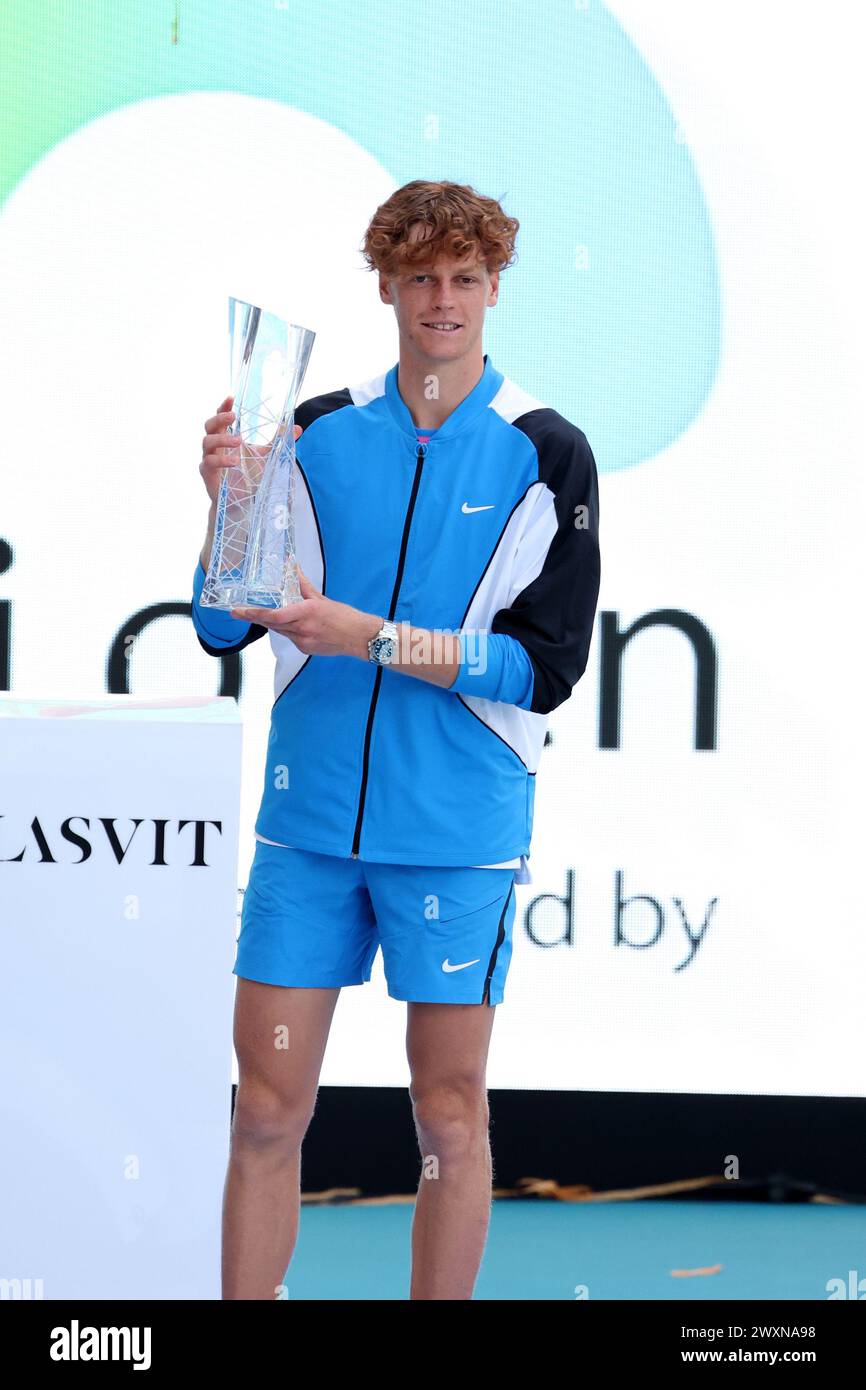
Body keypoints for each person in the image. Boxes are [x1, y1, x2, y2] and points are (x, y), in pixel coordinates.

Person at [192, 180, 601, 1300]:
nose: (441, 299)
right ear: (385, 284)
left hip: (454, 833)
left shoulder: (543, 451)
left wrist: (369, 638)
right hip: (310, 826)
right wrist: (226, 500)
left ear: (492, 289)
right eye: (419, 275)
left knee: (446, 1113)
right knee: (268, 1106)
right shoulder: (313, 431)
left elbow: (540, 670)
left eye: (464, 278)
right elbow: (226, 618)